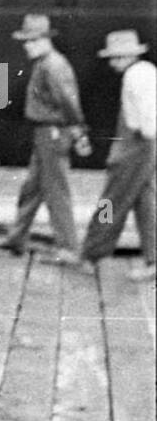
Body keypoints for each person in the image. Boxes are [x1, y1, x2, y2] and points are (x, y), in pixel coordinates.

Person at [0, 13, 91, 262]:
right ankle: (16, 238)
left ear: (43, 40)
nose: (26, 46)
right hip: (45, 133)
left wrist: (78, 130)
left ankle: (69, 248)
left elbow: (69, 103)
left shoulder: (53, 66)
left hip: (52, 132)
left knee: (55, 191)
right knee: (32, 188)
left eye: (31, 41)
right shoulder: (45, 64)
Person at [80, 30, 156, 280]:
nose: (112, 63)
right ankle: (153, 258)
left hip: (133, 148)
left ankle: (92, 253)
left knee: (109, 203)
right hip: (144, 149)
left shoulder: (135, 77)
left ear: (124, 56)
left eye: (114, 57)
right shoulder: (146, 71)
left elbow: (147, 121)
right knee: (146, 203)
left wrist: (146, 133)